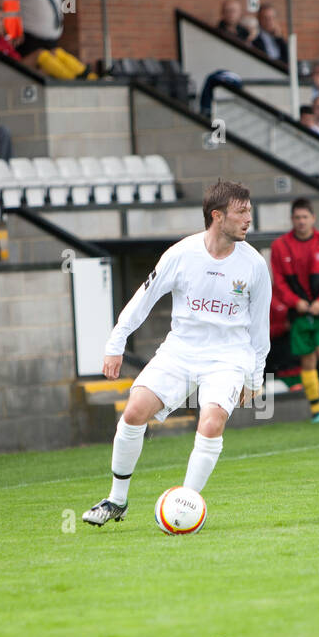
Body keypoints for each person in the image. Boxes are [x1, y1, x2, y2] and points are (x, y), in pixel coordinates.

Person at [81, 180, 271, 526]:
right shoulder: (181, 254)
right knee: (135, 410)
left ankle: (185, 506)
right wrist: (115, 343)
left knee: (211, 422)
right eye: (241, 212)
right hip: (181, 351)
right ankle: (116, 500)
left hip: (229, 358)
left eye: (249, 211)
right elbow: (144, 298)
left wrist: (255, 378)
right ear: (217, 216)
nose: (248, 219)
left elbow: (260, 328)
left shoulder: (255, 266)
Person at [270, 198, 319, 422]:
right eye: (297, 217)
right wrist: (295, 302)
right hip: (299, 312)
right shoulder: (280, 246)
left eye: (305, 217)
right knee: (308, 361)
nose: (301, 221)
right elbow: (279, 282)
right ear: (292, 220)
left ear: (313, 218)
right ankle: (315, 409)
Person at [16, 0, 94, 79]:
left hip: (52, 37)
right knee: (43, 65)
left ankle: (89, 76)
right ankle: (72, 79)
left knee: (58, 56)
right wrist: (14, 30)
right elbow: (10, 4)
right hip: (30, 37)